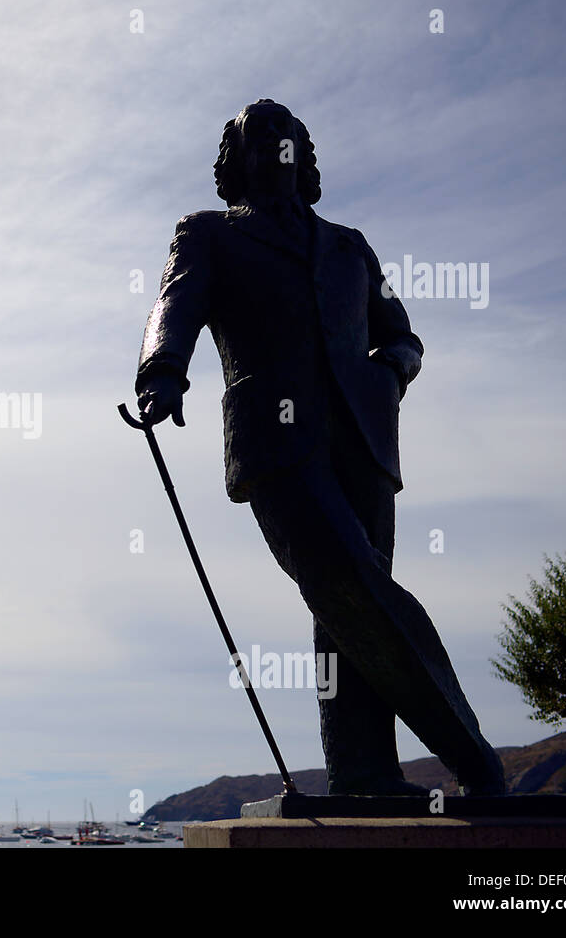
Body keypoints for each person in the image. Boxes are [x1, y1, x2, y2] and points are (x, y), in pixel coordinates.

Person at [135, 99, 505, 796]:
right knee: (349, 582)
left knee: (344, 611)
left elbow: (401, 333)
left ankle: (365, 773)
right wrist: (161, 373)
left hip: (366, 436)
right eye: (259, 136)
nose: (276, 144)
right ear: (237, 161)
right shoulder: (208, 233)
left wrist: (390, 371)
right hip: (276, 440)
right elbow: (174, 305)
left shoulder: (349, 245)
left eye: (288, 135)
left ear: (304, 158)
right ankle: (473, 755)